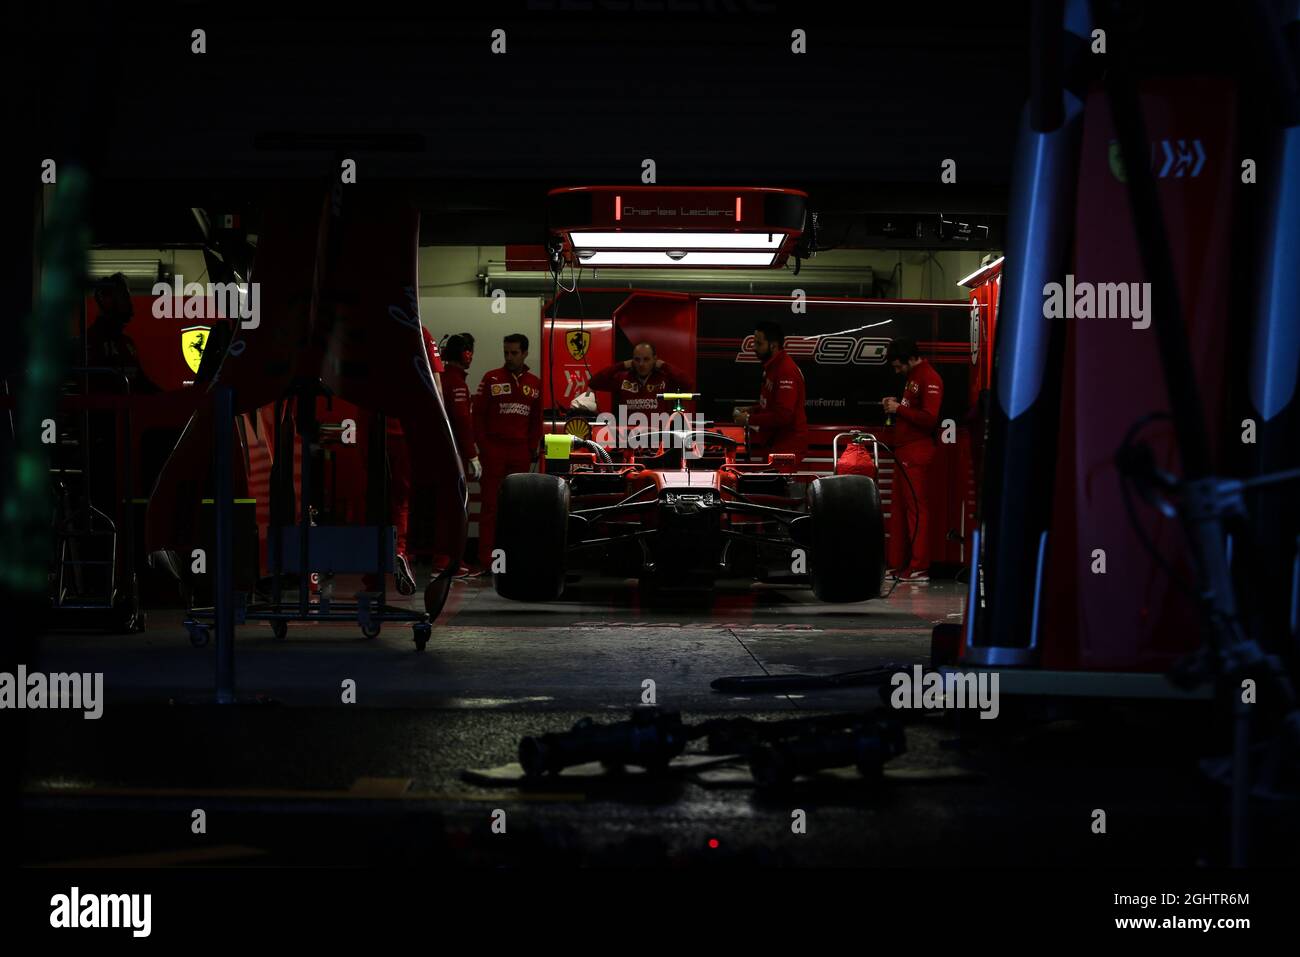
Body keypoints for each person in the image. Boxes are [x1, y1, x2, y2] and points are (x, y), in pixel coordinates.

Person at [472, 333, 543, 574]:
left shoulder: (535, 383)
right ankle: (487, 562)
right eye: (506, 353)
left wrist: (532, 447)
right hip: (494, 450)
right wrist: (483, 446)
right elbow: (477, 416)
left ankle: (515, 559)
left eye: (514, 353)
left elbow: (536, 419)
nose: (509, 357)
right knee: (490, 507)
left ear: (525, 353)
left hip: (520, 451)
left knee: (518, 508)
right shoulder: (491, 378)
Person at [882, 337, 944, 583]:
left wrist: (899, 409)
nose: (896, 371)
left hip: (917, 453)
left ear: (910, 359)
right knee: (898, 511)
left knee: (916, 511)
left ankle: (919, 568)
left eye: (898, 366)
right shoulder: (913, 376)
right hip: (903, 452)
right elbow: (912, 411)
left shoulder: (929, 378)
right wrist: (896, 406)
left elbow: (930, 419)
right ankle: (898, 564)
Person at [733, 320, 807, 459]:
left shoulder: (785, 371)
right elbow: (771, 405)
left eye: (759, 343)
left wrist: (749, 419)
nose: (754, 347)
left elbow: (784, 415)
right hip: (775, 444)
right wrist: (752, 409)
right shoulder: (772, 367)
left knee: (776, 481)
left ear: (773, 346)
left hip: (787, 449)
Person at [587, 341, 694, 425]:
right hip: (629, 438)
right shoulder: (623, 378)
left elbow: (688, 383)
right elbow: (594, 382)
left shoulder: (664, 378)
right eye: (637, 360)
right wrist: (621, 365)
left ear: (655, 359)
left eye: (646, 359)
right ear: (632, 360)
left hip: (659, 438)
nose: (641, 364)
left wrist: (664, 366)